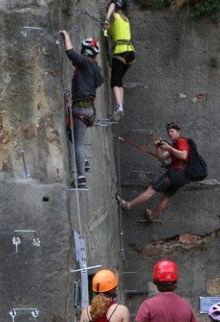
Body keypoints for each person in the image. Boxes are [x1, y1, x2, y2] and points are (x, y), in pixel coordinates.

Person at [115, 122, 189, 222]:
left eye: (172, 131)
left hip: (176, 173)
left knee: (152, 189)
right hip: (182, 178)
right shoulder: (175, 145)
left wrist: (169, 148)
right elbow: (161, 158)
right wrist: (157, 147)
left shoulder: (181, 141)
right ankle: (152, 215)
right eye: (168, 132)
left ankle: (128, 205)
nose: (169, 133)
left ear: (178, 131)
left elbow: (184, 155)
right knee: (165, 197)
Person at [60, 30, 104, 189]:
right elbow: (98, 81)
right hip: (89, 111)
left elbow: (71, 53)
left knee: (78, 143)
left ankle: (81, 178)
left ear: (85, 52)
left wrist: (66, 37)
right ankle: (83, 160)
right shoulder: (95, 69)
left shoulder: (85, 63)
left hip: (80, 108)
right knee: (71, 132)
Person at [102, 0, 135, 121]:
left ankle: (119, 106)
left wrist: (106, 19)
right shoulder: (126, 20)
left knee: (114, 81)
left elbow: (112, 5)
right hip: (130, 52)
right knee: (119, 79)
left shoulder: (115, 17)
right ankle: (120, 106)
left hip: (120, 51)